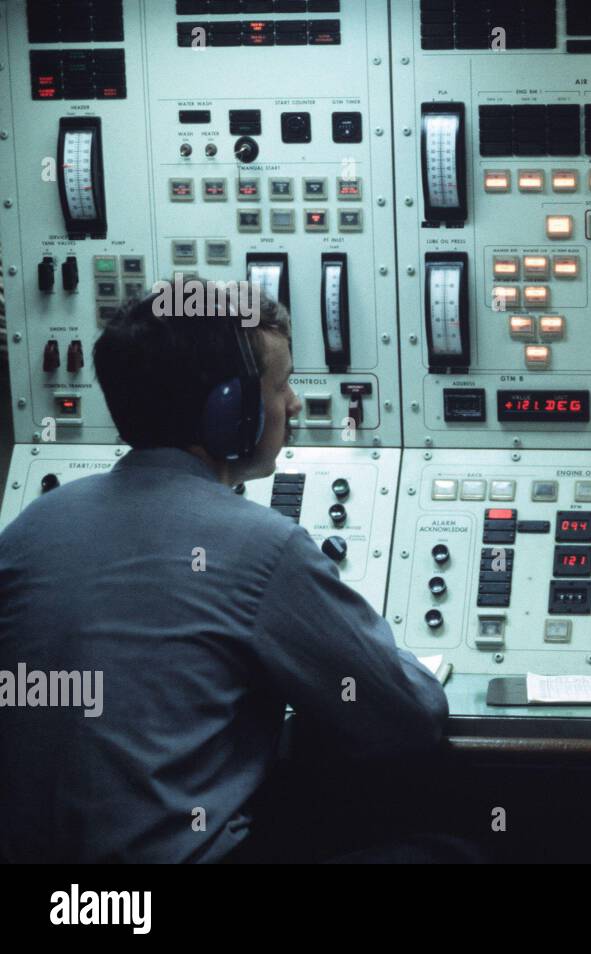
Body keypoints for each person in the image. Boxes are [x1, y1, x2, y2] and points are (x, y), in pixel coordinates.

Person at [0, 283, 449, 863]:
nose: (294, 404)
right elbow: (406, 716)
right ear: (229, 406)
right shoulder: (260, 545)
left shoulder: (34, 524)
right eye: (281, 383)